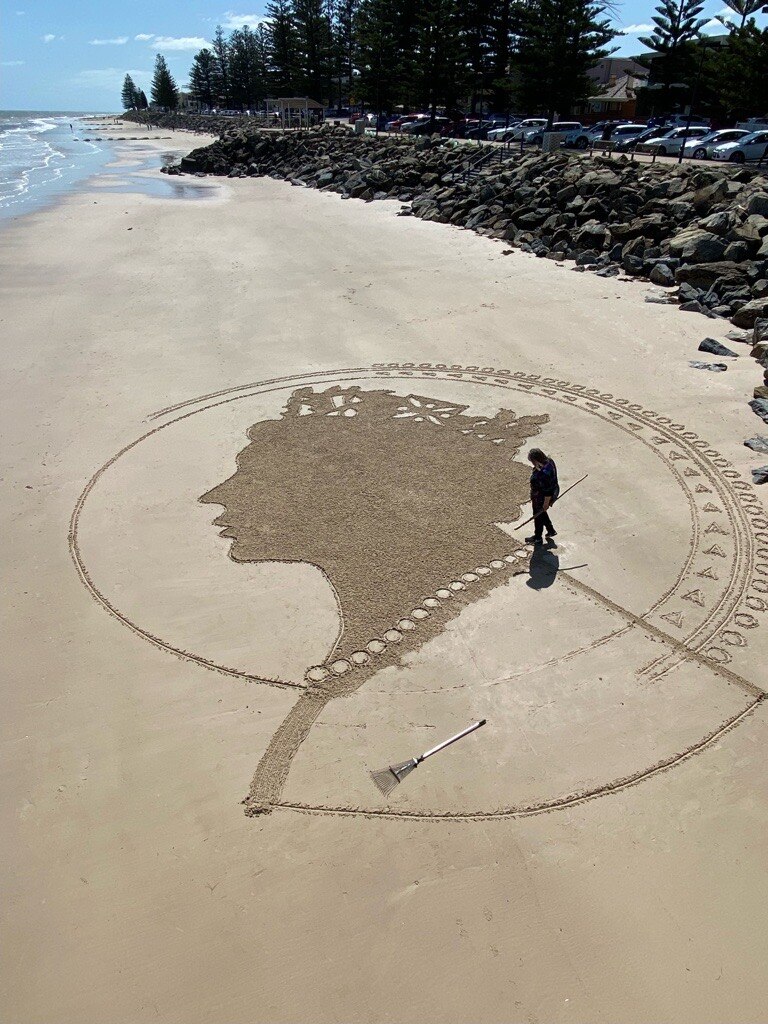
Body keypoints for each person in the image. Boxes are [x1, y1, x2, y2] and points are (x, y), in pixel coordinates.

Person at [526, 448, 559, 544]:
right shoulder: (549, 461)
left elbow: (547, 490)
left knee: (538, 516)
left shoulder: (543, 473)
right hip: (552, 491)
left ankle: (538, 537)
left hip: (541, 497)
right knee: (541, 512)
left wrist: (546, 503)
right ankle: (551, 530)